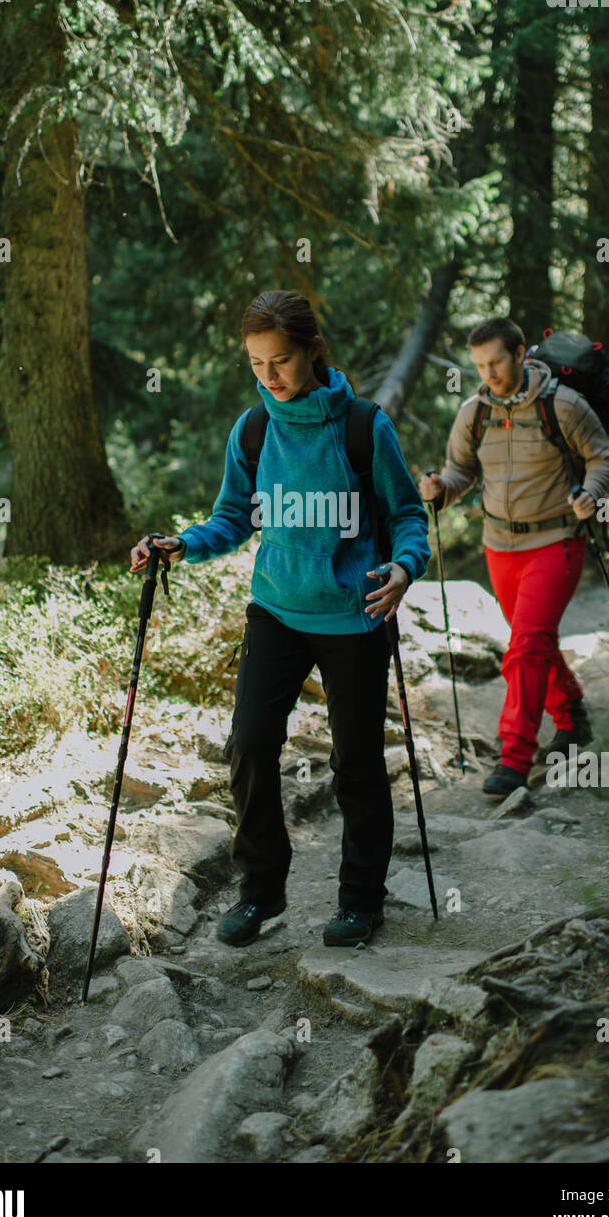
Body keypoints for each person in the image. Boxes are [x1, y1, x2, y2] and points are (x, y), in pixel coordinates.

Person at [131, 290, 430, 947]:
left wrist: (405, 568)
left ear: (312, 351)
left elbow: (408, 514)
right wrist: (181, 543)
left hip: (353, 616)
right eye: (257, 363)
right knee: (250, 744)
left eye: (282, 361)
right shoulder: (254, 428)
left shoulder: (362, 426)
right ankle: (261, 894)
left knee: (355, 763)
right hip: (276, 612)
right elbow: (233, 518)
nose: (270, 376)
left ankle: (359, 900)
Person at [419, 316, 609, 799]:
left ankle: (514, 757)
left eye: (496, 362)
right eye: (480, 365)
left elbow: (601, 457)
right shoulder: (474, 413)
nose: (489, 373)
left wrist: (591, 493)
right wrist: (441, 489)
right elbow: (460, 471)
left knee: (525, 645)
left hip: (556, 541)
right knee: (534, 641)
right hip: (499, 545)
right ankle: (572, 717)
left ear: (521, 353)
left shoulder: (562, 405)